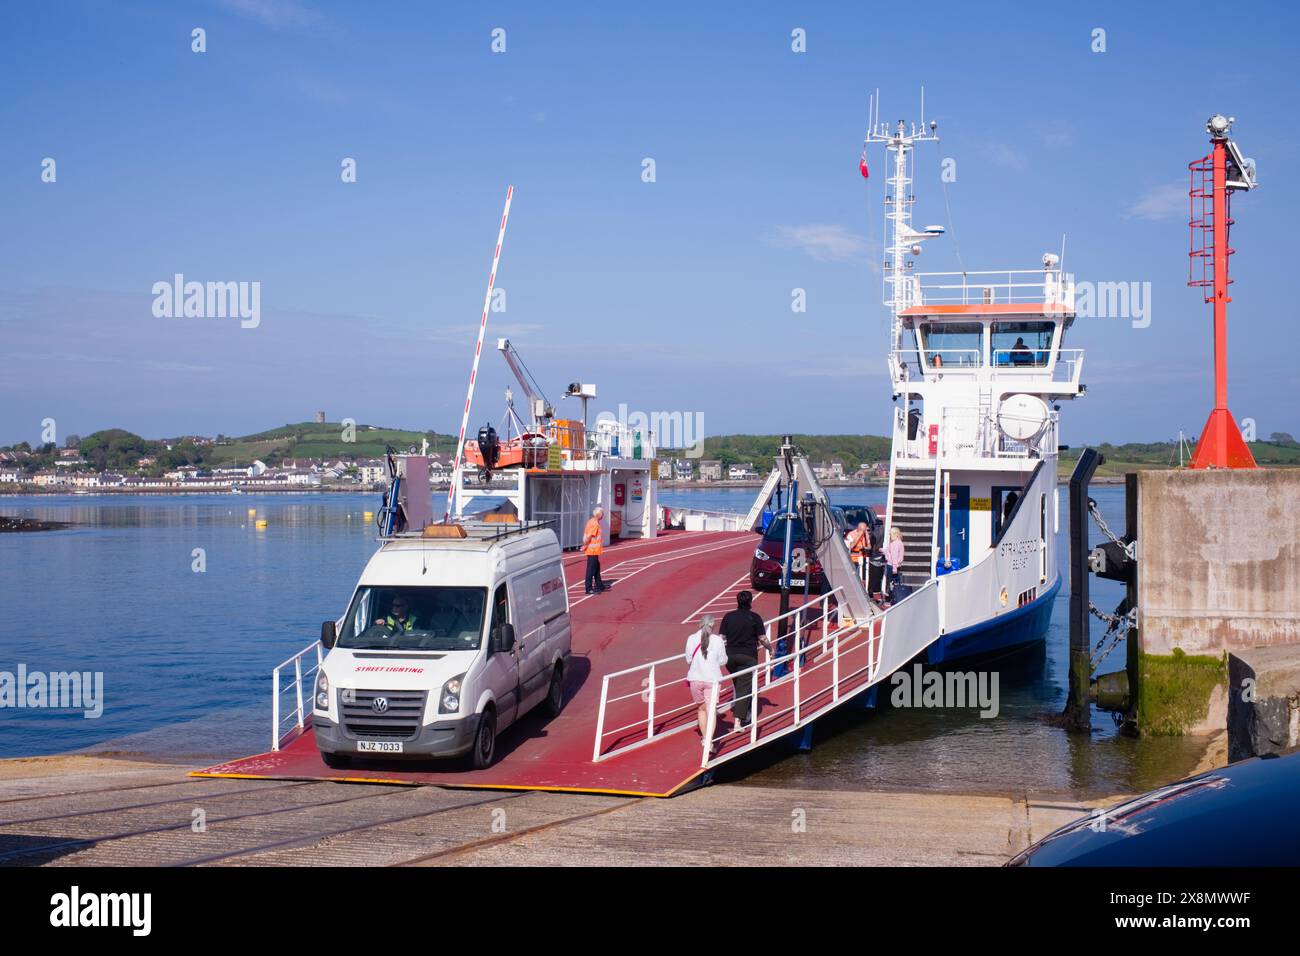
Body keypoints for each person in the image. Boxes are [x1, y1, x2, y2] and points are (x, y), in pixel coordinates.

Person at [721, 591, 772, 732]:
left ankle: (746, 712)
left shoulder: (728, 617)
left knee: (740, 684)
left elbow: (722, 638)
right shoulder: (754, 617)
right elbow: (762, 638)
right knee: (744, 687)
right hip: (748, 657)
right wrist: (770, 649)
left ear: (737, 601)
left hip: (730, 657)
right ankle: (738, 721)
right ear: (750, 601)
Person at [684, 614, 728, 753]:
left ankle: (704, 738)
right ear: (712, 626)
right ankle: (709, 741)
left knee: (702, 709)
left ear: (700, 624)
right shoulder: (717, 640)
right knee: (711, 711)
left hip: (695, 679)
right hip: (712, 680)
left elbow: (688, 660)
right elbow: (723, 661)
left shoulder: (691, 638)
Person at [583, 507, 607, 594]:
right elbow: (589, 536)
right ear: (599, 514)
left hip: (593, 550)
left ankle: (599, 584)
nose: (603, 515)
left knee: (597, 567)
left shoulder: (591, 521)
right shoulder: (595, 524)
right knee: (591, 569)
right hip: (592, 550)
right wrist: (585, 545)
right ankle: (588, 588)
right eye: (602, 513)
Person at [883, 527, 905, 597]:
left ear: (894, 534)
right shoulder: (900, 543)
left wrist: (894, 568)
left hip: (892, 565)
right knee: (896, 582)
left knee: (891, 582)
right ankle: (896, 596)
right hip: (898, 565)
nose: (889, 536)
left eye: (890, 534)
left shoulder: (894, 544)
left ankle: (891, 597)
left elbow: (894, 556)